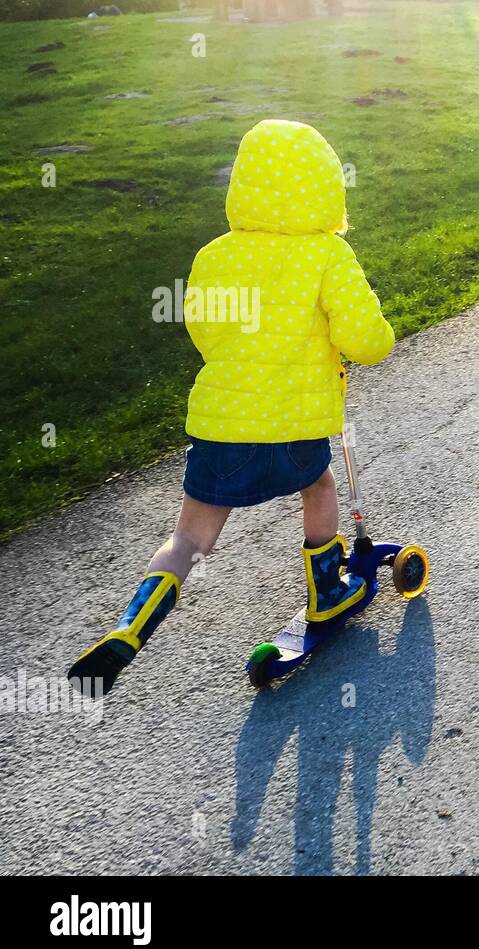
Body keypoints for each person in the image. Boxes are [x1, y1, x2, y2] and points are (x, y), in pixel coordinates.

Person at [68, 119, 394, 696]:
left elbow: (205, 329)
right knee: (317, 487)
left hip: (222, 431)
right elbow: (367, 338)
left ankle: (131, 626)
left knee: (187, 541)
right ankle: (327, 593)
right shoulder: (327, 254)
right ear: (325, 187)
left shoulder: (216, 256)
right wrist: (367, 341)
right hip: (295, 428)